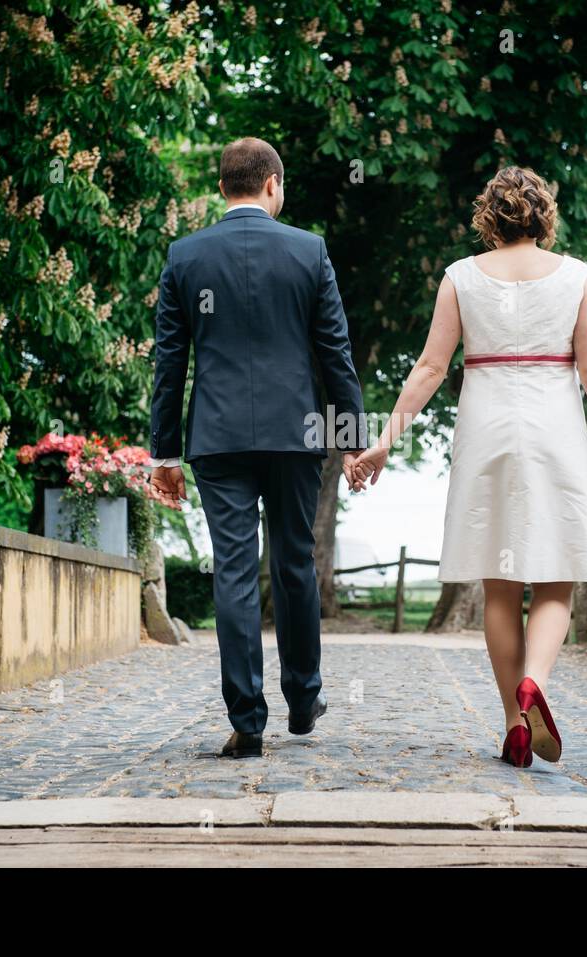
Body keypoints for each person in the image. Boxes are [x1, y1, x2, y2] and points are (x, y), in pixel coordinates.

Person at [349, 166, 587, 768]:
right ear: (545, 214)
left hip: (486, 426)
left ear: (488, 216)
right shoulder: (577, 277)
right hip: (553, 430)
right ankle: (534, 682)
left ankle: (514, 722)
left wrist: (384, 439)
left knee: (499, 581)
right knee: (557, 577)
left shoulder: (460, 277)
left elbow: (432, 368)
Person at [149, 137, 367, 758]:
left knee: (235, 570)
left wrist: (164, 456)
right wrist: (350, 442)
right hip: (297, 436)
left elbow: (171, 363)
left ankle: (247, 719)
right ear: (273, 184)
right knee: (295, 563)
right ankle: (303, 700)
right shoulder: (309, 251)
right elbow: (335, 353)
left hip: (216, 440)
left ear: (223, 189)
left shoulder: (186, 256)